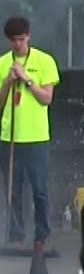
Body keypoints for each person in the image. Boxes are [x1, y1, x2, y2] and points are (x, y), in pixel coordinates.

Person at [0, 16, 60, 253]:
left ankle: (42, 235)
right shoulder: (3, 63)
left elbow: (46, 98)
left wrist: (26, 79)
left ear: (29, 36)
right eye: (14, 40)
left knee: (40, 190)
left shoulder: (44, 61)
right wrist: (8, 81)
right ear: (8, 40)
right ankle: (16, 236)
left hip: (36, 138)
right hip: (9, 137)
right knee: (13, 190)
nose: (18, 45)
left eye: (22, 39)